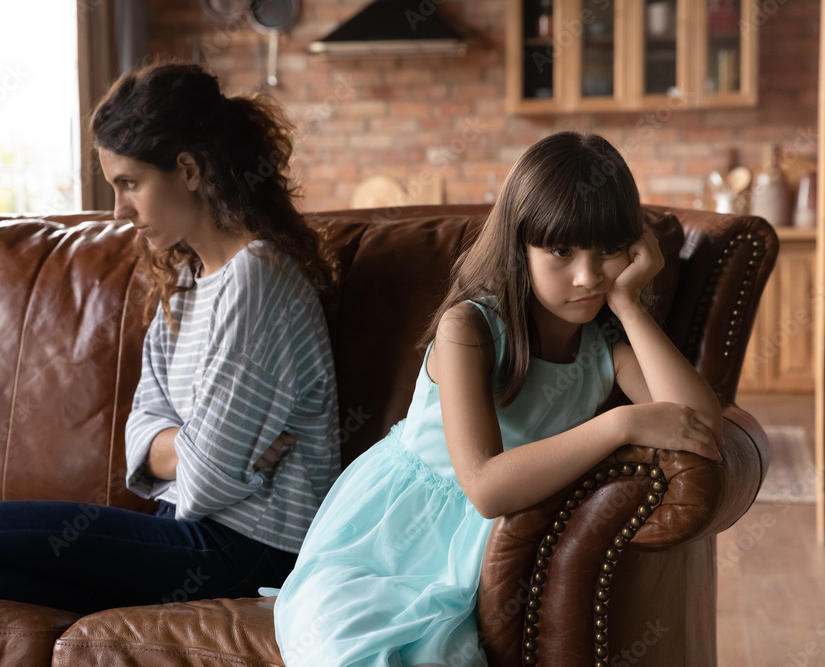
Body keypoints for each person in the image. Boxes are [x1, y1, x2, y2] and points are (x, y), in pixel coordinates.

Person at [0, 62, 340, 615]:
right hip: (189, 532)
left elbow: (203, 485)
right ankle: (106, 615)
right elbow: (142, 435)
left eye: (129, 183)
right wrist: (202, 449)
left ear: (189, 170)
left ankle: (104, 610)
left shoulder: (256, 278)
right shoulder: (184, 280)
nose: (118, 210)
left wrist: (195, 454)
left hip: (248, 549)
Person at [272, 131, 722, 665]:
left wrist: (629, 305)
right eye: (560, 250)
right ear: (519, 246)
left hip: (485, 551)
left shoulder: (604, 346)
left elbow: (698, 423)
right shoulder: (468, 328)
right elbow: (485, 486)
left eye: (606, 253)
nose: (587, 276)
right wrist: (620, 424)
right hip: (389, 543)